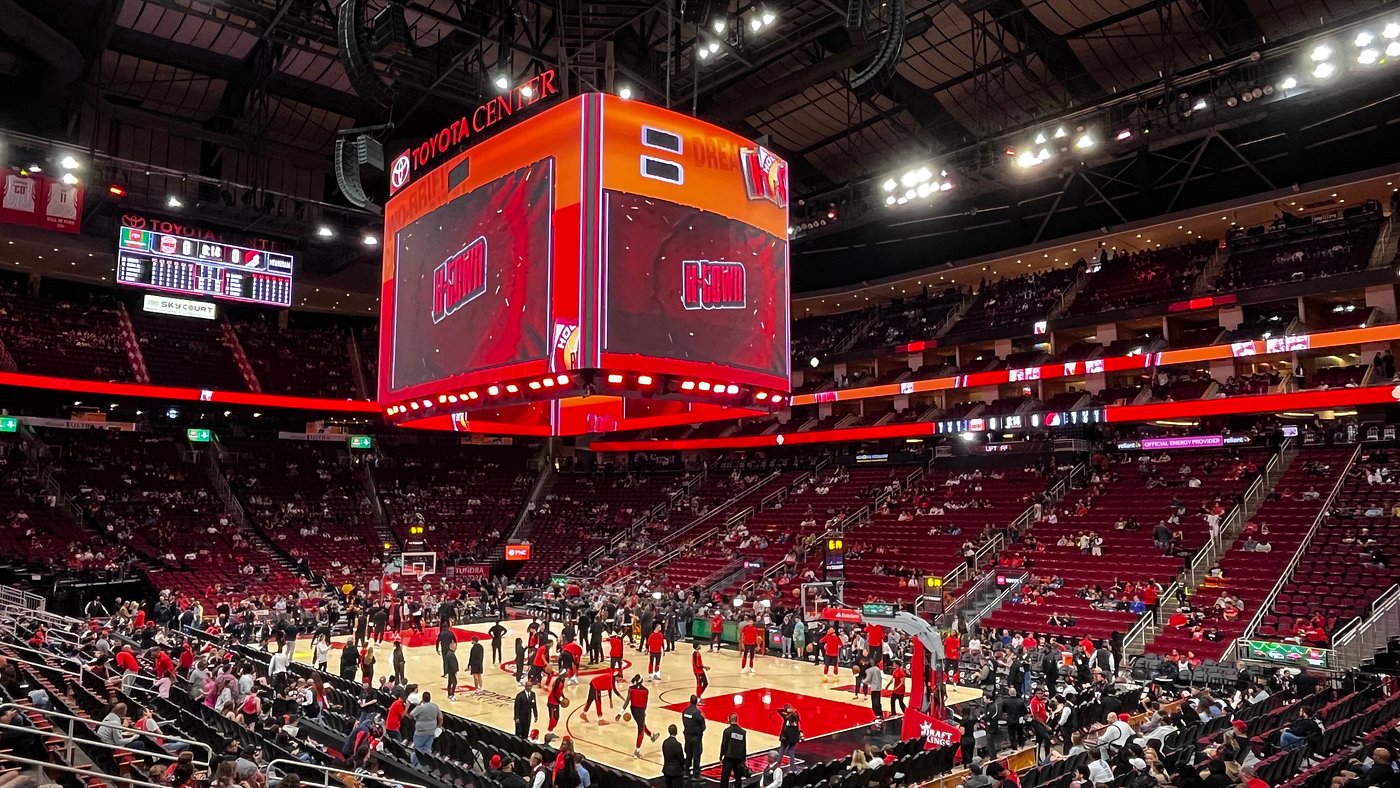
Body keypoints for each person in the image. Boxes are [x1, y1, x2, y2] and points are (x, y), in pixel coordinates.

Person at [622, 674, 659, 758]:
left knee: (641, 724)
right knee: (640, 730)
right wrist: (644, 712)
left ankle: (651, 736)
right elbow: (645, 703)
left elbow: (628, 701)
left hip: (633, 710)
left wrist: (620, 713)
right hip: (641, 710)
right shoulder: (645, 691)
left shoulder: (631, 688)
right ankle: (637, 751)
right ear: (642, 681)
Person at [408, 691, 442, 766]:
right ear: (430, 698)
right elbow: (440, 718)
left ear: (423, 699)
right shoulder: (435, 706)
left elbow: (411, 714)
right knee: (427, 749)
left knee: (417, 749)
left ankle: (413, 765)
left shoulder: (421, 707)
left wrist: (419, 704)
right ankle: (426, 765)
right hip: (431, 732)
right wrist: (439, 727)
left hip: (420, 732)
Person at [720, 713, 748, 788]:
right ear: (736, 720)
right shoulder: (743, 732)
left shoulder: (727, 731)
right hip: (738, 758)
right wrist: (744, 759)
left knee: (725, 778)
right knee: (738, 778)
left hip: (729, 757)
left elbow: (724, 744)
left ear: (729, 720)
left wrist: (721, 756)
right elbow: (744, 746)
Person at [683, 694, 706, 778]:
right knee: (696, 755)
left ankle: (686, 771)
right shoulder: (697, 713)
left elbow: (684, 722)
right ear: (696, 702)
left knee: (688, 753)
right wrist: (699, 732)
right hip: (696, 737)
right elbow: (703, 726)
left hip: (687, 736)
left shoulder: (685, 711)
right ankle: (696, 773)